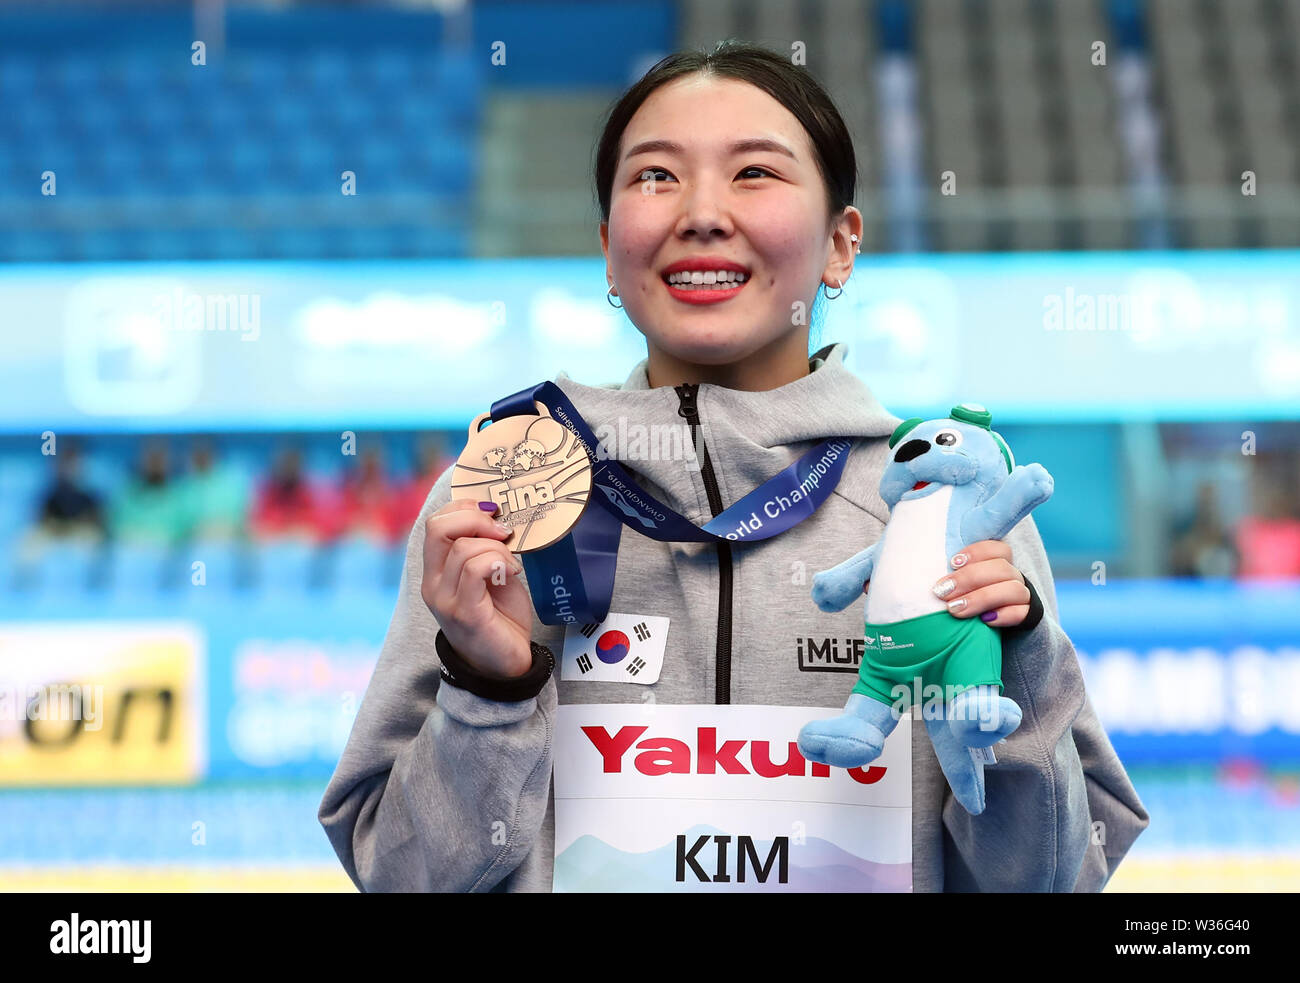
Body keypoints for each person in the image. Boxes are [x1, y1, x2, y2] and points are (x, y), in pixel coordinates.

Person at [319, 41, 1149, 892]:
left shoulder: (944, 501)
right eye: (655, 177)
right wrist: (488, 688)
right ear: (608, 247)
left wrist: (1018, 674)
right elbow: (401, 877)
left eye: (755, 172)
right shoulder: (503, 497)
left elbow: (1048, 882)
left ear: (840, 244)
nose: (702, 213)